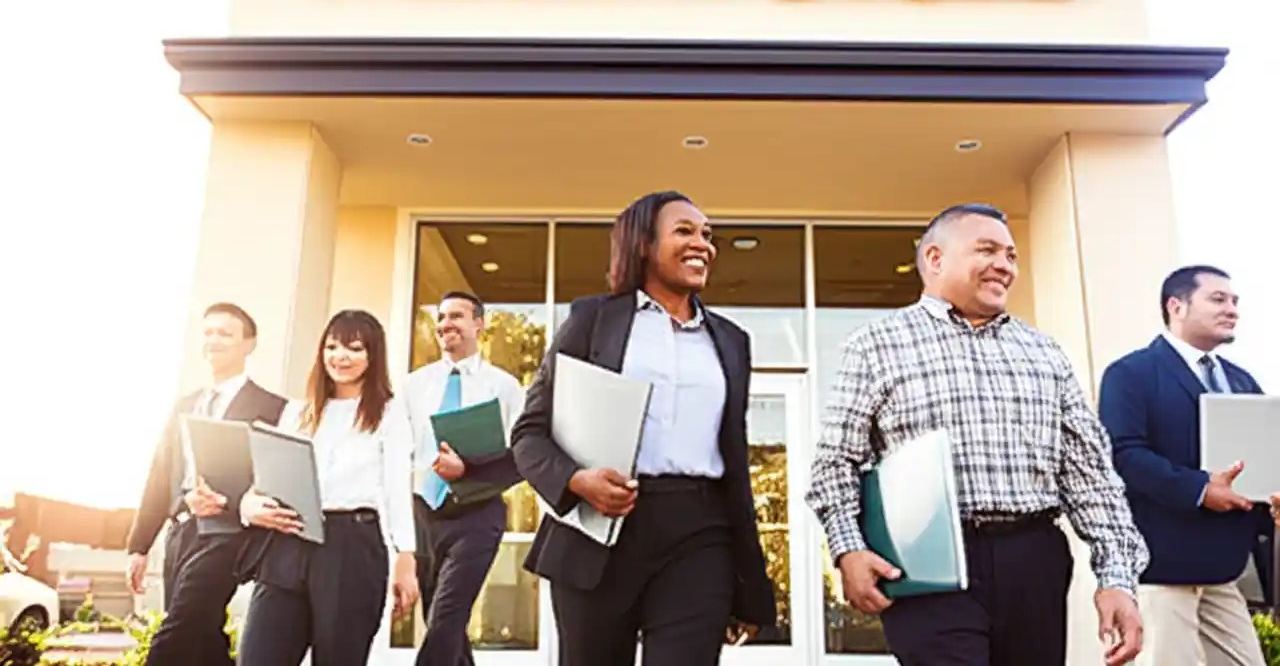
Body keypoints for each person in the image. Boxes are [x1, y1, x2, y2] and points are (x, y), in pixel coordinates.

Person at [806, 203, 1149, 666]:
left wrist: (1117, 579)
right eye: (987, 250)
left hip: (1034, 560)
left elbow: (1091, 477)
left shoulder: (1045, 353)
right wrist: (849, 549)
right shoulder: (875, 345)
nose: (1004, 265)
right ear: (934, 259)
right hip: (926, 561)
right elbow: (835, 461)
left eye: (1011, 255)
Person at [510, 191, 775, 666]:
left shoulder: (732, 342)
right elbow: (529, 433)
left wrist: (750, 583)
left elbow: (735, 464)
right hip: (599, 528)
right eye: (685, 231)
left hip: (700, 531)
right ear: (644, 245)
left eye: (708, 235)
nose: (703, 244)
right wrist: (575, 480)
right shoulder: (593, 321)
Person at [1099, 265, 1271, 666]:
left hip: (1225, 565)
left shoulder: (1242, 380)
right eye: (1218, 299)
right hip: (1162, 566)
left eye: (1234, 301)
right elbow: (1123, 453)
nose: (1232, 309)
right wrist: (1200, 489)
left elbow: (1259, 458)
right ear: (1176, 306)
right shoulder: (1130, 373)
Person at [235, 309, 420, 666]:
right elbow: (267, 475)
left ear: (373, 356)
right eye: (333, 346)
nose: (341, 356)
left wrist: (406, 558)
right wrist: (249, 506)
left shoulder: (388, 414)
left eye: (354, 348)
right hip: (289, 539)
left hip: (351, 545)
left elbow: (398, 489)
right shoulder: (296, 412)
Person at [124, 302, 287, 666]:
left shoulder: (272, 408)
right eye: (209, 333)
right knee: (203, 634)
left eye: (225, 334)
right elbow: (161, 474)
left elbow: (274, 475)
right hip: (182, 532)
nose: (214, 340)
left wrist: (229, 500)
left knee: (179, 629)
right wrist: (139, 545)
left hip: (230, 535)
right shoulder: (184, 405)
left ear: (249, 343)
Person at [403, 291, 526, 666]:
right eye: (440, 317)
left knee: (445, 620)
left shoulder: (504, 387)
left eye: (456, 316)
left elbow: (524, 455)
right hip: (423, 511)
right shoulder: (413, 385)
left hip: (476, 512)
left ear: (479, 324)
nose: (445, 325)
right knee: (443, 623)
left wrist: (469, 469)